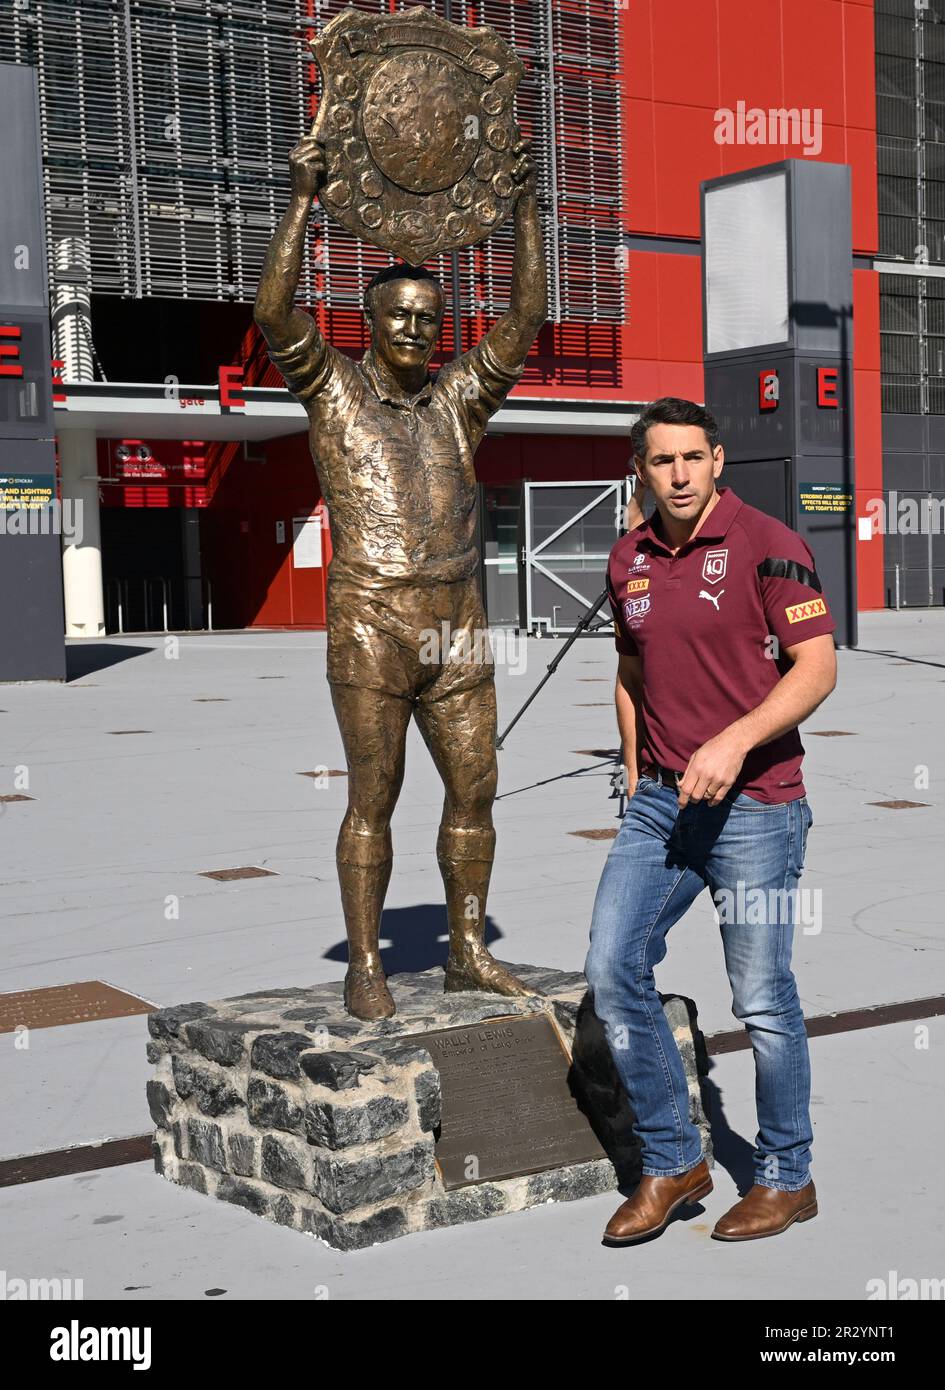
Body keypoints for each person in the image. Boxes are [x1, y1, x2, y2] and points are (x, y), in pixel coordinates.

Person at [253, 133, 547, 1021]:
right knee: (372, 796)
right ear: (371, 320)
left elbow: (525, 320)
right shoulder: (332, 390)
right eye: (401, 315)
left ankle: (465, 950)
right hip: (372, 620)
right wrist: (303, 200)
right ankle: (366, 966)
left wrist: (526, 212)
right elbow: (272, 313)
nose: (417, 329)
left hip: (456, 621)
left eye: (429, 317)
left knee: (476, 788)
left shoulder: (460, 401)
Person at [584, 396, 837, 1244]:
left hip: (758, 807)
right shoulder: (628, 559)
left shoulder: (768, 544)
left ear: (717, 460)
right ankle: (672, 1161)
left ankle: (785, 1176)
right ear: (643, 470)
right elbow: (629, 668)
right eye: (662, 461)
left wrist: (733, 741)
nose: (680, 474)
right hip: (660, 806)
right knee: (613, 968)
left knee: (761, 998)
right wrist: (632, 770)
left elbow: (815, 667)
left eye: (693, 457)